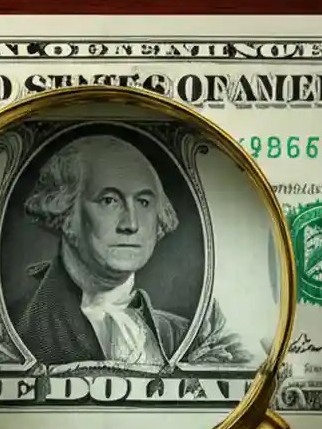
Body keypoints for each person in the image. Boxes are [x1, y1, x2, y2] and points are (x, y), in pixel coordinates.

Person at [12, 134, 192, 366]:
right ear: (65, 212)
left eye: (144, 202)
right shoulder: (14, 329)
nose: (131, 224)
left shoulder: (183, 336)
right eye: (109, 201)